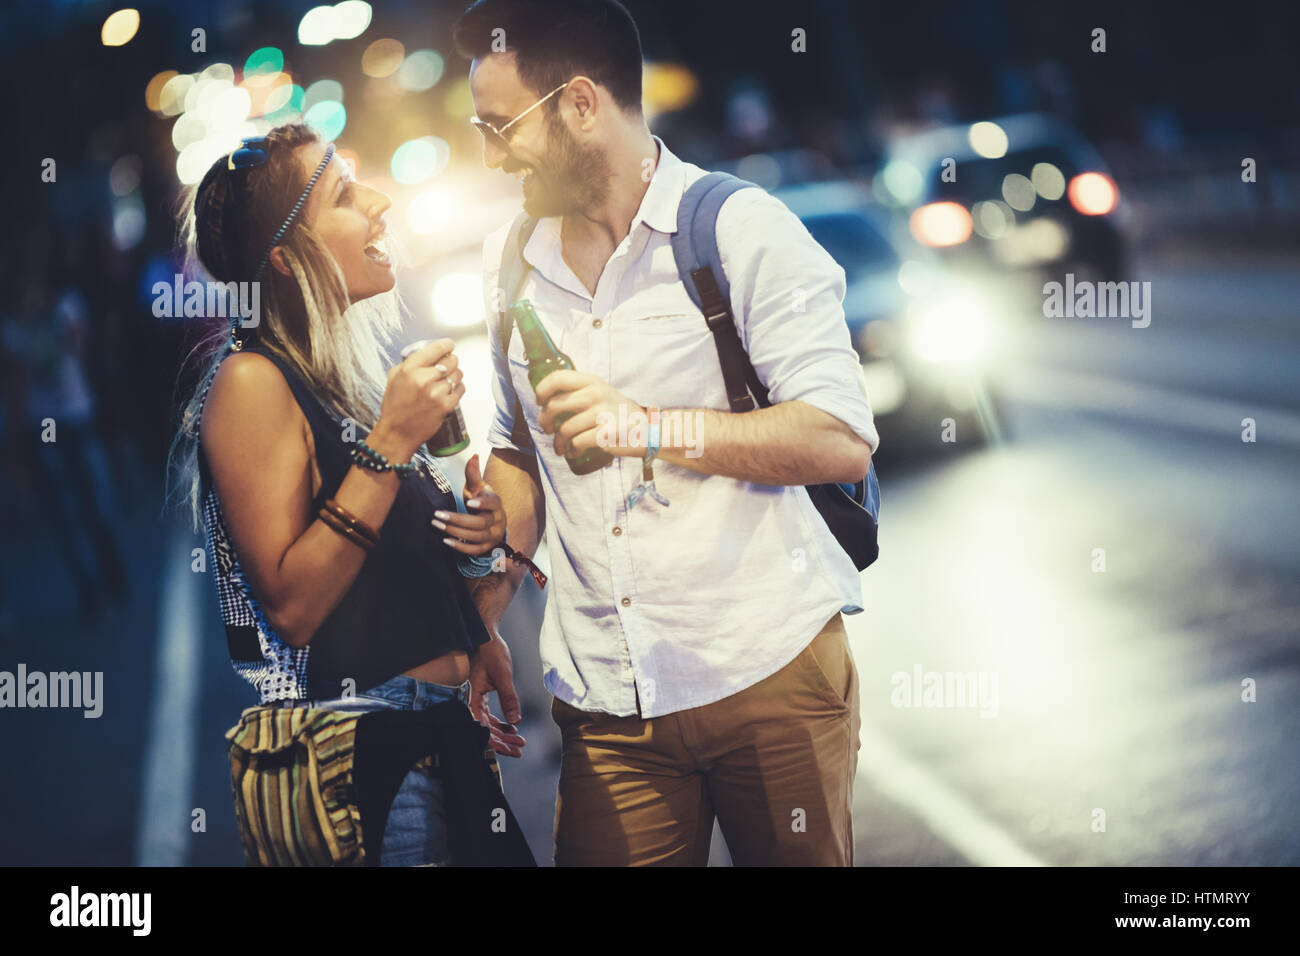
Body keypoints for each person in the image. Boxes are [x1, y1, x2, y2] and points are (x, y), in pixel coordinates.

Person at [453, 0, 880, 866]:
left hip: (767, 671)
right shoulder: (507, 266)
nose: (491, 156)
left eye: (500, 127)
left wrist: (644, 428)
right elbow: (520, 456)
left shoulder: (737, 228)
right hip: (606, 704)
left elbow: (839, 437)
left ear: (578, 104)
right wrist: (485, 595)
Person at [168, 122, 529, 866]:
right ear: (286, 259)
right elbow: (293, 607)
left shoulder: (343, 387)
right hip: (374, 765)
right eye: (341, 193)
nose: (379, 202)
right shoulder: (251, 381)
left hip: (441, 737)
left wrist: (476, 615)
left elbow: (383, 568)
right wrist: (393, 441)